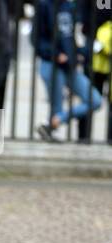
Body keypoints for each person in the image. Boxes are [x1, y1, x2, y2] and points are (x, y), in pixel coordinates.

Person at [33, 0, 102, 140]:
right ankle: (50, 129)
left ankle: (52, 123)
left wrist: (78, 52)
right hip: (51, 64)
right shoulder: (44, 5)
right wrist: (56, 54)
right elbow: (36, 40)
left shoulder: (68, 6)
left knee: (95, 100)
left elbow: (69, 37)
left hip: (69, 66)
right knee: (56, 108)